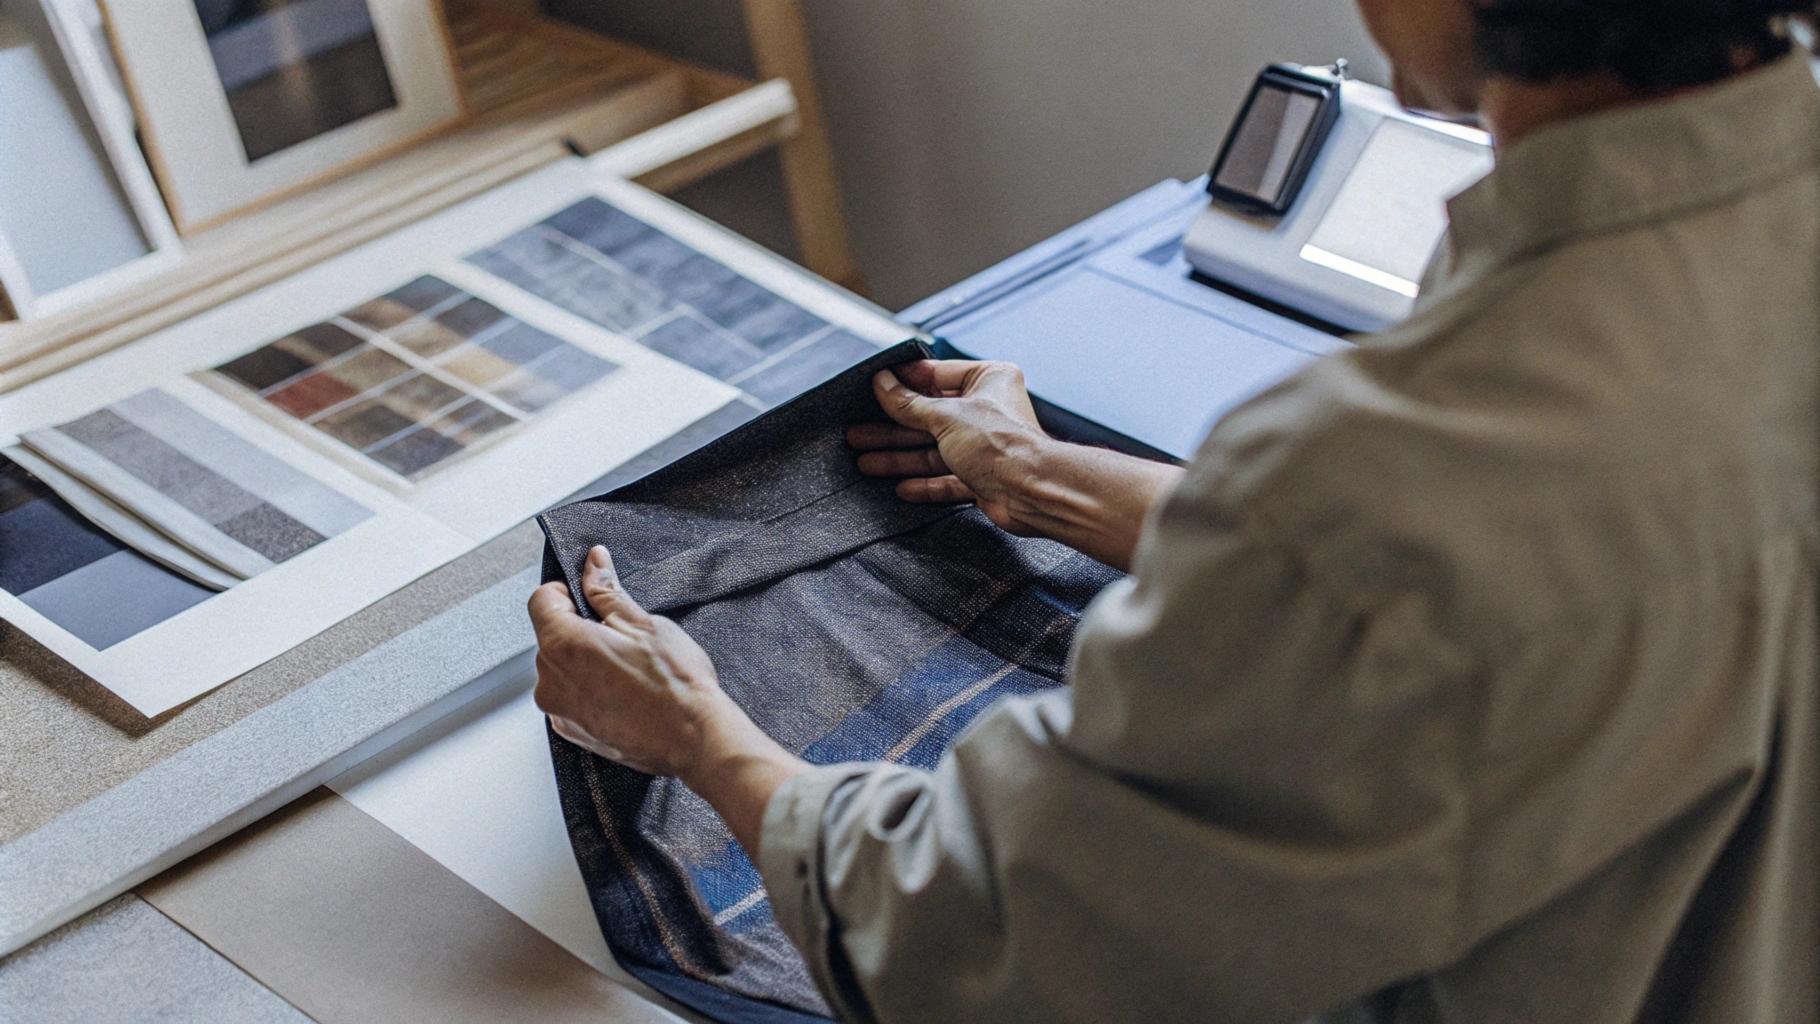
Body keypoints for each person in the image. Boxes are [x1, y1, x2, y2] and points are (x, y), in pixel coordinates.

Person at [527, 0, 1820, 1019]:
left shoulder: (1374, 490)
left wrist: (700, 738)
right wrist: (1045, 480)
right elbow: (1512, 576)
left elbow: (991, 940)